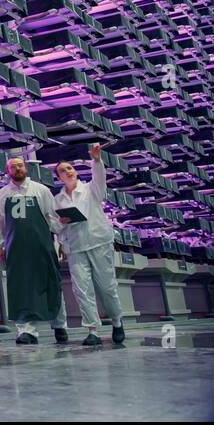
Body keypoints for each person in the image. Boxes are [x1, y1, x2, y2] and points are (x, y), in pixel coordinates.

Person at [54, 143, 126, 345]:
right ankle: (92, 330)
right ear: (58, 178)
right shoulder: (57, 200)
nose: (68, 171)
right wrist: (61, 224)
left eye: (70, 168)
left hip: (99, 243)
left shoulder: (91, 189)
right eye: (62, 171)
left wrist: (96, 160)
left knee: (106, 286)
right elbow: (55, 225)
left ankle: (117, 321)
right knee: (82, 290)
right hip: (76, 248)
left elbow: (100, 177)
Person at [0, 156, 68, 344]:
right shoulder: (2, 194)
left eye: (20, 165)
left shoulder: (41, 190)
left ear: (25, 168)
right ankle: (27, 331)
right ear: (7, 171)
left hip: (42, 246)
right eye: (13, 167)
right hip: (16, 249)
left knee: (51, 284)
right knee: (20, 288)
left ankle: (60, 325)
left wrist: (62, 242)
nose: (17, 169)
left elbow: (52, 218)